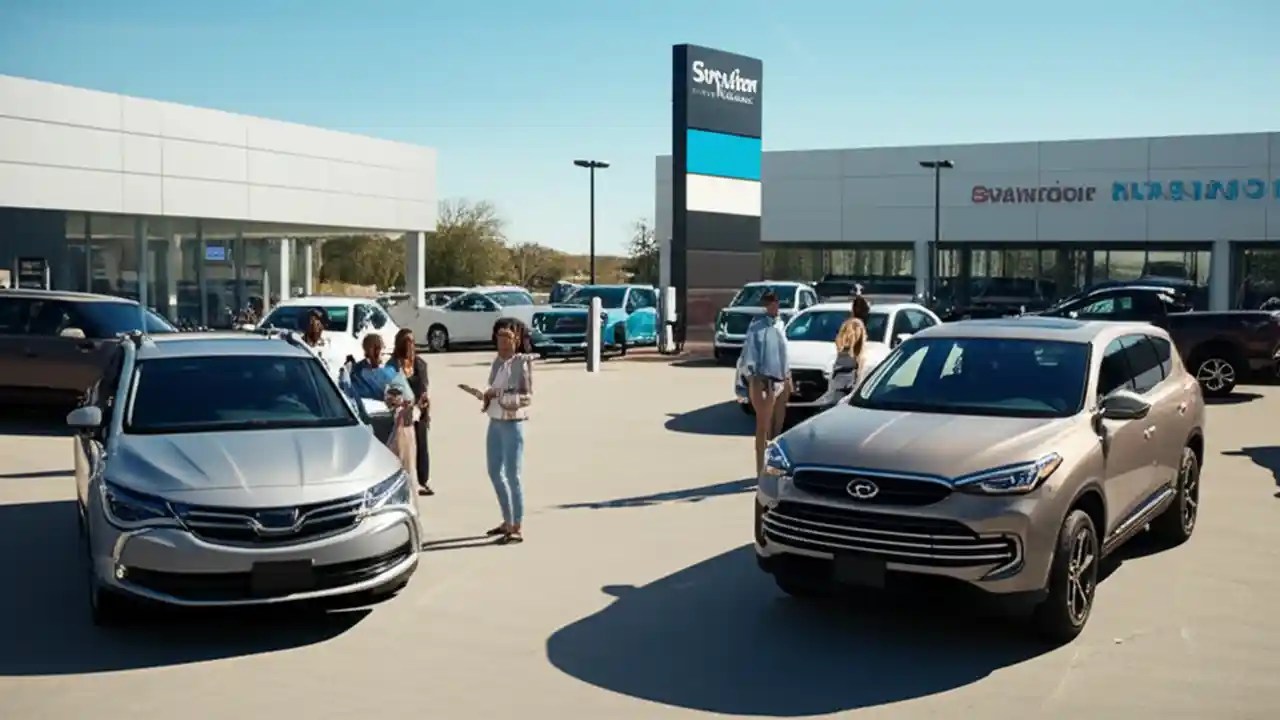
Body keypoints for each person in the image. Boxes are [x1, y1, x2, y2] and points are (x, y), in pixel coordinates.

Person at [463, 320, 533, 545]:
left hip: (512, 422)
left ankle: (517, 526)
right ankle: (507, 519)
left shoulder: (520, 364)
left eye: (506, 342)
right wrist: (485, 396)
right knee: (494, 471)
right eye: (499, 342)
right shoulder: (496, 363)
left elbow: (527, 396)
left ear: (515, 342)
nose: (502, 347)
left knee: (513, 475)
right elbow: (493, 388)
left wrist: (502, 397)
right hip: (495, 421)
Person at [741, 291, 790, 475]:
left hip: (781, 378)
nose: (774, 306)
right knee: (762, 425)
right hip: (762, 379)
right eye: (770, 303)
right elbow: (749, 355)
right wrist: (754, 378)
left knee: (778, 427)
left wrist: (788, 375)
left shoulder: (780, 324)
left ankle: (773, 467)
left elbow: (784, 352)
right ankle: (760, 469)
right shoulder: (757, 327)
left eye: (775, 303)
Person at [391, 328, 433, 496]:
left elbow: (424, 387)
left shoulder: (420, 364)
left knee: (421, 445)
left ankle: (423, 481)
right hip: (401, 412)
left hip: (418, 410)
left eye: (412, 342)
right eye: (406, 342)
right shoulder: (393, 365)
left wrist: (424, 403)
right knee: (403, 449)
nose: (410, 346)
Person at [834, 294, 872, 380]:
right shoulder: (856, 324)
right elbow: (851, 345)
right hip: (849, 371)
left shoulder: (847, 323)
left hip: (842, 368)